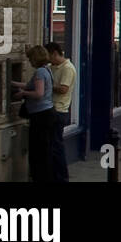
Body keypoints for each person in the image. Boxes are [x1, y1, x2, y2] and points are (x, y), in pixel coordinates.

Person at [11, 45, 57, 182]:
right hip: (47, 113)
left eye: (30, 58)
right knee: (44, 149)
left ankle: (40, 178)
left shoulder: (40, 73)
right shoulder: (46, 70)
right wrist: (13, 83)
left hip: (41, 116)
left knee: (38, 151)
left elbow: (38, 93)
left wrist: (23, 94)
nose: (30, 61)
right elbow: (32, 86)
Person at [46, 42, 75, 183]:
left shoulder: (68, 68)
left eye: (48, 56)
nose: (48, 60)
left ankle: (62, 178)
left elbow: (63, 89)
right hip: (50, 109)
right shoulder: (51, 68)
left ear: (54, 53)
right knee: (51, 145)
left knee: (57, 145)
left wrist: (47, 86)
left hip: (59, 110)